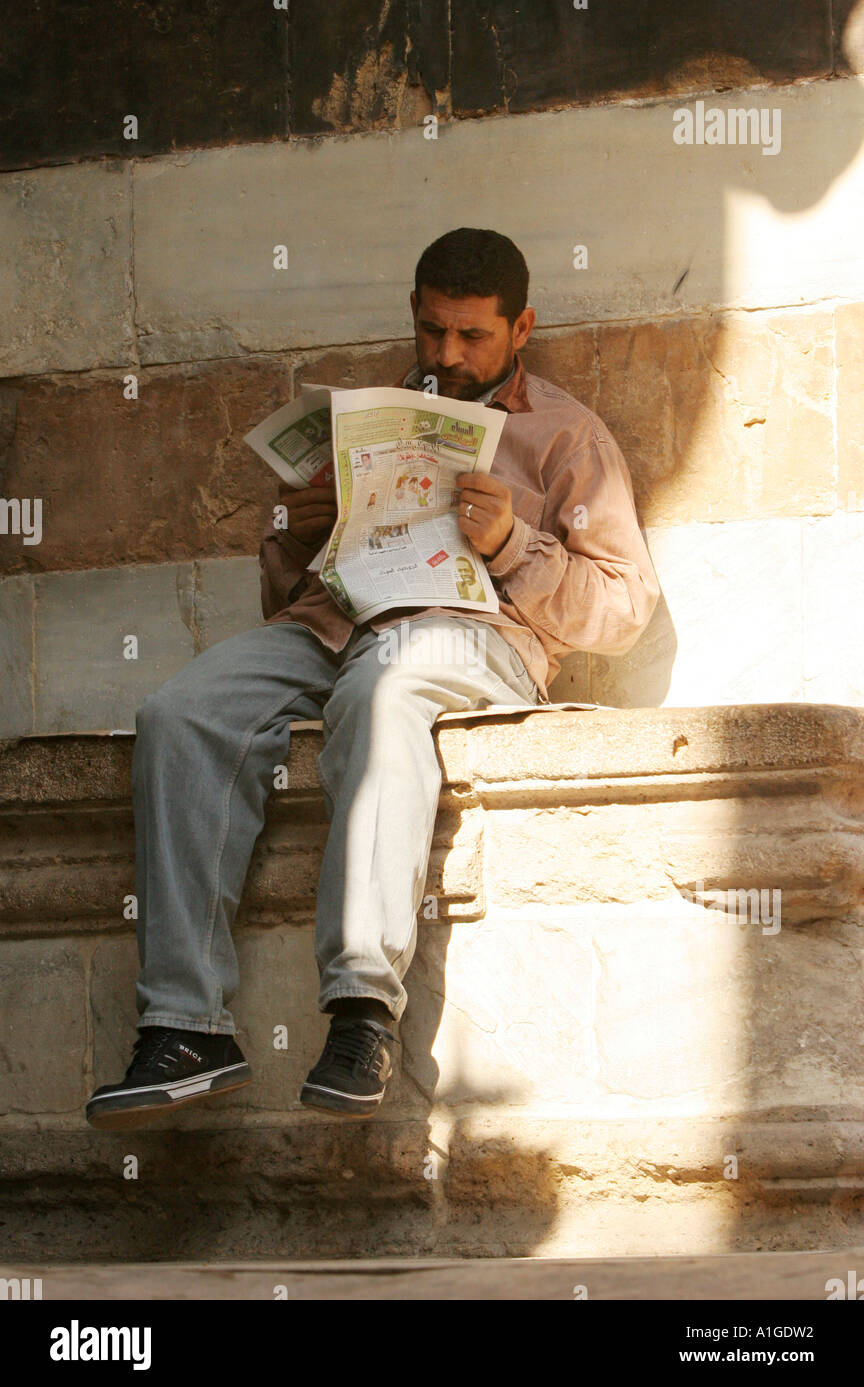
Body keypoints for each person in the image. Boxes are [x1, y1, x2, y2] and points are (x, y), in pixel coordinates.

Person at [85, 227, 660, 1131]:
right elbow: (287, 593)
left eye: (473, 337)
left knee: (382, 689)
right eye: (433, 333)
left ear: (523, 329)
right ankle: (187, 1028)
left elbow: (624, 611)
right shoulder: (371, 416)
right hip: (335, 624)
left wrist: (513, 543)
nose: (448, 356)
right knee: (180, 712)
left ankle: (361, 1013)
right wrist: (299, 533)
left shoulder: (568, 437)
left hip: (474, 638)